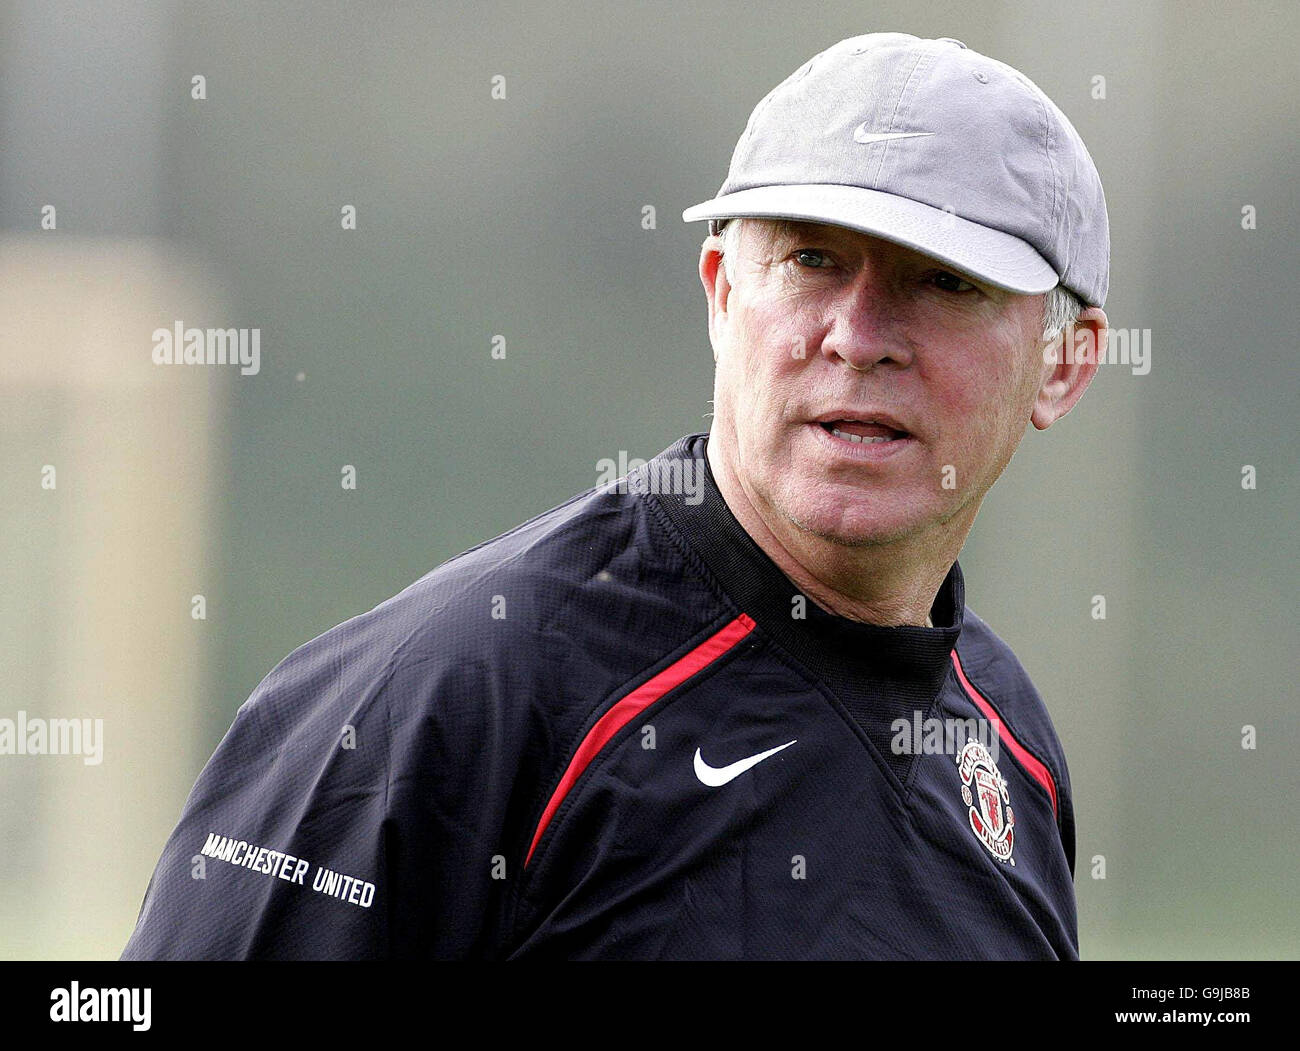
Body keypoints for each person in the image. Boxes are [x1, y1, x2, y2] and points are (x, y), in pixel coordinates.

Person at [123, 32, 1108, 960]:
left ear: (1063, 364)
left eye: (942, 281)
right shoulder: (449, 695)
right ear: (723, 293)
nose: (858, 335)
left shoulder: (1011, 749)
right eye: (812, 261)